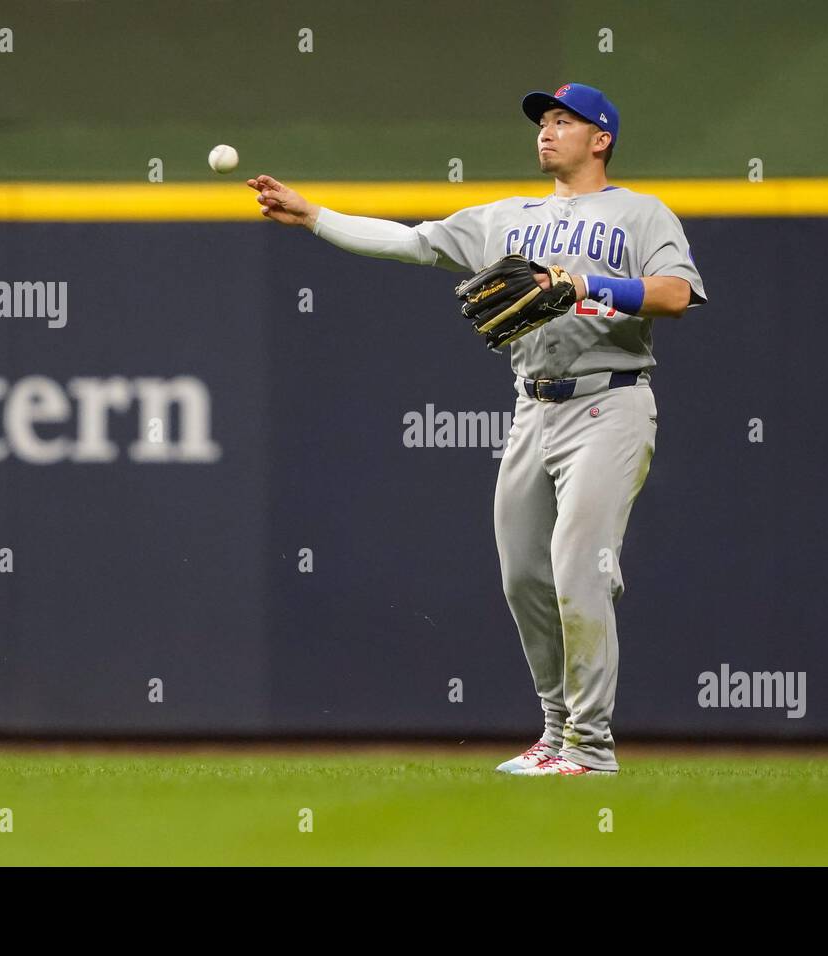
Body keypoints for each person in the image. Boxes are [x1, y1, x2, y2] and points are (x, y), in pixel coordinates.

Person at [246, 82, 707, 776]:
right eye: (542, 122)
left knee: (580, 568)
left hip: (609, 403)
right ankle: (556, 734)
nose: (546, 132)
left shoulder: (641, 214)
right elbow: (410, 242)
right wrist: (315, 216)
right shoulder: (506, 219)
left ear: (601, 138)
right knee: (524, 576)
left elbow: (676, 294)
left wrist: (586, 285)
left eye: (563, 121)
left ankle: (591, 746)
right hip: (532, 409)